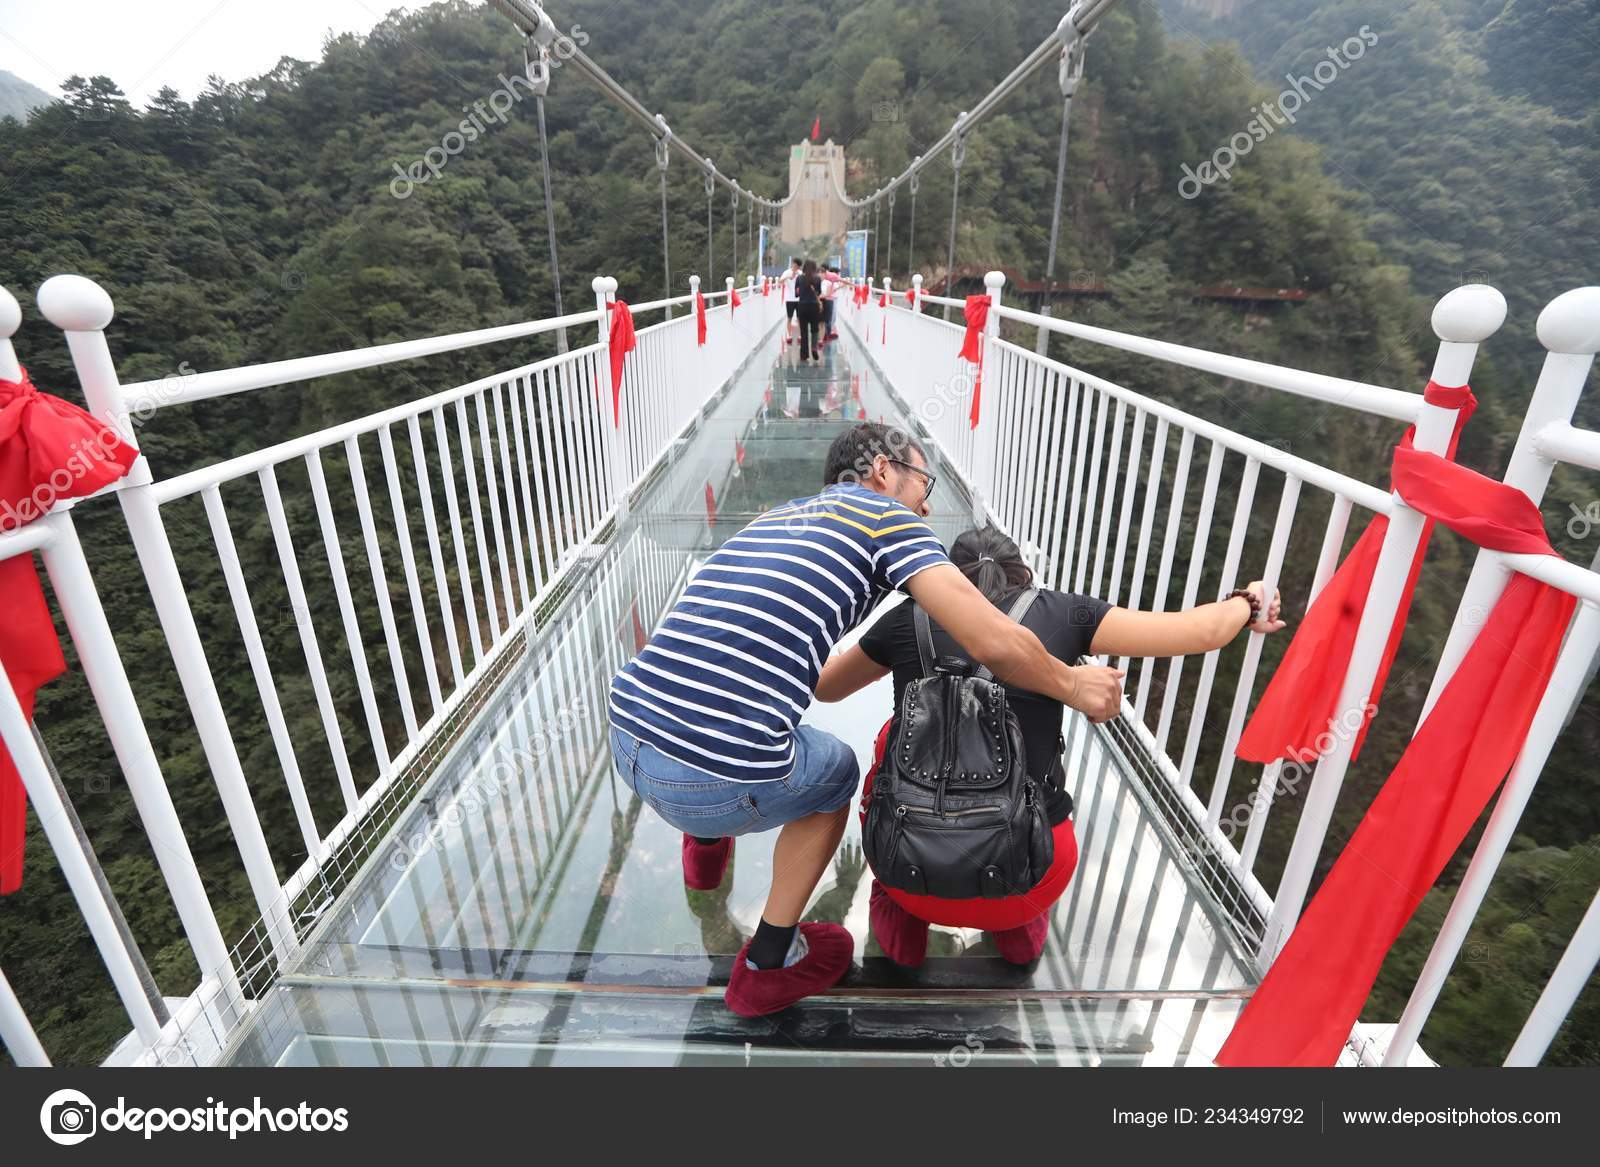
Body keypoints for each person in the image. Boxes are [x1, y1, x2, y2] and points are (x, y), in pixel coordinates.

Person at [608, 424, 1124, 1016]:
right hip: (716, 780)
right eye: (923, 482)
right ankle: (766, 967)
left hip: (629, 737)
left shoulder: (775, 519)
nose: (928, 504)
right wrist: (1073, 684)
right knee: (834, 771)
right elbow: (993, 639)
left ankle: (703, 854)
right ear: (884, 471)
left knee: (719, 712)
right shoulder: (888, 521)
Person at [815, 526, 1285, 967]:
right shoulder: (1064, 613)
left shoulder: (907, 618)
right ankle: (1018, 935)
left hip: (908, 865)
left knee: (888, 755)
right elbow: (1200, 632)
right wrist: (1248, 601)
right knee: (1031, 866)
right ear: (1025, 577)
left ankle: (902, 935)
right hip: (1031, 872)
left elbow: (828, 688)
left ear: (946, 580)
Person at [794, 259, 824, 364]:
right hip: (814, 307)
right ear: (815, 268)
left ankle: (804, 354)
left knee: (803, 331)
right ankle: (814, 348)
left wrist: (801, 291)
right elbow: (819, 293)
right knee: (814, 329)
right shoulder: (817, 279)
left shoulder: (799, 278)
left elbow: (797, 293)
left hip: (802, 307)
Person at [781, 257, 802, 345]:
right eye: (794, 264)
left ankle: (800, 336)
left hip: (799, 299)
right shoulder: (787, 272)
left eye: (797, 266)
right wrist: (788, 277)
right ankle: (789, 336)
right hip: (789, 299)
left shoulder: (800, 273)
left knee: (799, 318)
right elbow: (780, 281)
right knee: (789, 318)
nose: (795, 267)